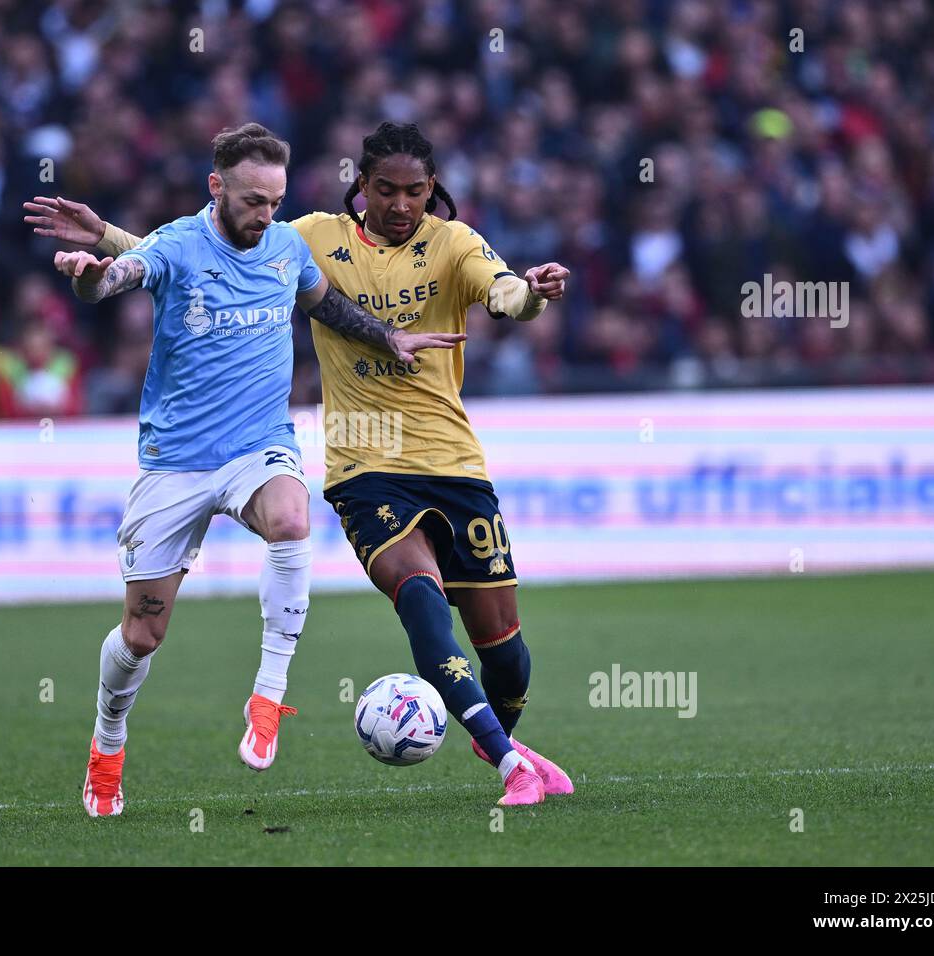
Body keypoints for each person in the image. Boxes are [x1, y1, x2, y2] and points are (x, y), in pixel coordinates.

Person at [28, 122, 570, 806]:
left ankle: (451, 727)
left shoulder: (357, 242)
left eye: (416, 191)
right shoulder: (282, 235)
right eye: (387, 191)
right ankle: (114, 740)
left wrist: (522, 296)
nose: (403, 205)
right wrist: (100, 253)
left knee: (489, 642)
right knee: (148, 633)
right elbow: (163, 264)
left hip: (365, 453)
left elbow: (473, 295)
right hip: (268, 465)